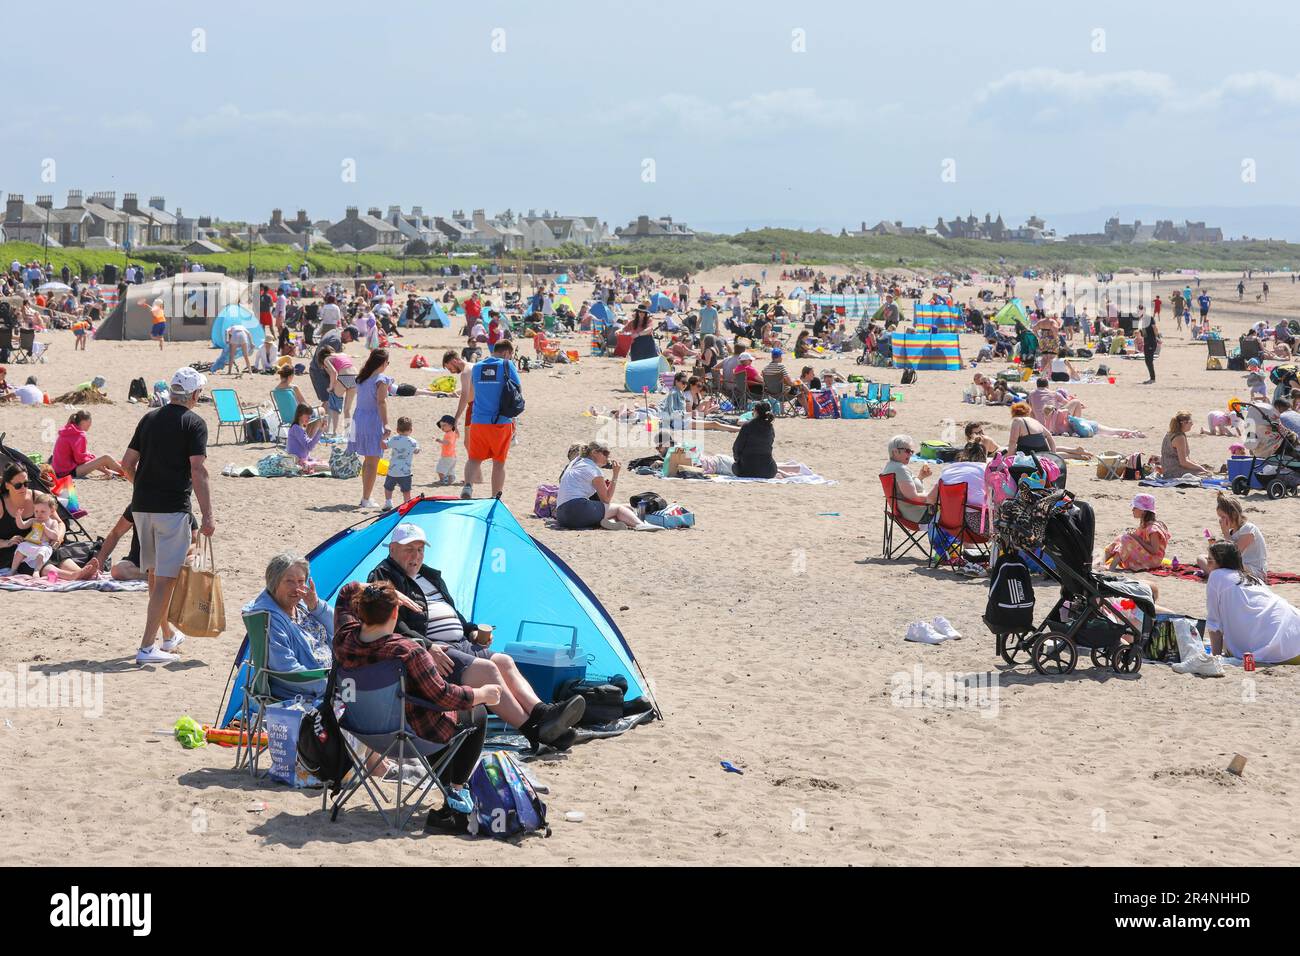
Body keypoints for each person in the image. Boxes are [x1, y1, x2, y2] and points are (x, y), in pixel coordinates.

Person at [364, 526, 584, 751]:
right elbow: (392, 625)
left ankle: (543, 713)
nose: (416, 556)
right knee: (488, 671)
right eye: (409, 549)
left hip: (461, 643)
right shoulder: (383, 577)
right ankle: (534, 731)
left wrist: (472, 631)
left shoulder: (429, 575)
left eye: (420, 550)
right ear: (392, 549)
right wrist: (427, 647)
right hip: (432, 652)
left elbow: (454, 615)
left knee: (504, 661)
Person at [332, 579, 492, 831]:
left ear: (360, 610)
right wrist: (481, 693)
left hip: (361, 731)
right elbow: (444, 695)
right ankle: (457, 794)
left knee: (435, 717)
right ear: (396, 612)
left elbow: (345, 593)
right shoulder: (407, 650)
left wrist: (377, 592)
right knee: (474, 714)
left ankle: (450, 790)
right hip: (406, 738)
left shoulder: (344, 639)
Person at [119, 366, 215, 665]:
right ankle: (147, 647)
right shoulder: (194, 423)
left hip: (142, 507)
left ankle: (167, 636)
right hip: (171, 509)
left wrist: (145, 486)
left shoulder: (148, 418)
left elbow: (126, 464)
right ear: (195, 394)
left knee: (153, 576)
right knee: (165, 580)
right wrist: (208, 516)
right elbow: (197, 470)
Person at [244, 552, 334, 700]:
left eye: (301, 581)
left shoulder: (302, 606)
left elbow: (340, 628)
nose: (297, 588)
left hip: (333, 678)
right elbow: (286, 668)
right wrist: (329, 684)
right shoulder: (271, 619)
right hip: (304, 693)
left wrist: (316, 606)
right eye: (289, 581)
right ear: (274, 583)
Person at [1203, 543, 1300, 664]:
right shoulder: (1251, 577)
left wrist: (1215, 657)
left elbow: (1214, 623)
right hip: (1293, 623)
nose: (1207, 564)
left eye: (1210, 560)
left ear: (1221, 561)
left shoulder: (1216, 576)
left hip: (1276, 646)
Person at [462, 340, 521, 500]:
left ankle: (468, 485)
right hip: (500, 421)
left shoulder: (477, 367)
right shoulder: (507, 365)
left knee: (474, 458)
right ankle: (495, 497)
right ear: (506, 353)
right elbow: (517, 390)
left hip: (478, 420)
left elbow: (472, 395)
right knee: (499, 462)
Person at [556, 441, 659, 531]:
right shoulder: (593, 470)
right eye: (605, 453)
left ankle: (612, 521)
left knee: (625, 507)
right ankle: (640, 525)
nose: (608, 457)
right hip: (576, 509)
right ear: (594, 452)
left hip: (561, 515)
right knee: (618, 508)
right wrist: (615, 475)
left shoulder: (577, 462)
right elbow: (606, 500)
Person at [349, 348, 392, 509]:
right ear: (383, 363)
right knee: (373, 461)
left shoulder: (363, 378)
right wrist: (386, 423)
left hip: (359, 418)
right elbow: (381, 402)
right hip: (373, 420)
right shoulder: (381, 379)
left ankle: (366, 496)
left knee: (368, 461)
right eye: (387, 362)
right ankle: (366, 499)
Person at [1198, 493, 1268, 578]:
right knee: (1201, 558)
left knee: (1220, 564)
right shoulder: (1233, 532)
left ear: (1234, 515)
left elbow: (1233, 555)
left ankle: (1215, 574)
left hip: (1254, 570)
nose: (1220, 520)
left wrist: (1226, 533)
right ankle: (1216, 574)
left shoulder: (1248, 529)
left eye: (1223, 517)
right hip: (1238, 566)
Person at [1103, 494, 1170, 571]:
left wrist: (1136, 538)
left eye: (1135, 508)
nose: (1132, 510)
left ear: (1144, 511)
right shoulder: (1145, 524)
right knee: (1120, 538)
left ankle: (1112, 567)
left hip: (1152, 560)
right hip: (1145, 555)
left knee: (1125, 539)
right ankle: (1099, 563)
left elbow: (1154, 550)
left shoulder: (1153, 529)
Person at [51, 411, 125, 479]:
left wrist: (95, 460)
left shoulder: (68, 430)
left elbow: (80, 454)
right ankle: (127, 473)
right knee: (106, 458)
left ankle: (117, 469)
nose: (90, 424)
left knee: (103, 460)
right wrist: (101, 467)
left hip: (58, 470)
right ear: (84, 422)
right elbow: (80, 459)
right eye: (90, 422)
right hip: (68, 472)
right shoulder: (79, 434)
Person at [5, 491, 62, 577]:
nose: (39, 514)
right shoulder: (34, 520)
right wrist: (18, 518)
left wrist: (45, 529)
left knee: (42, 553)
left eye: (43, 511)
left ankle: (36, 570)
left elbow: (55, 536)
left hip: (43, 544)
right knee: (20, 548)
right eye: (36, 511)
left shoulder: (53, 522)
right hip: (31, 543)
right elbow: (22, 526)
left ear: (52, 511)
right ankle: (13, 569)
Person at [880, 434, 931, 522]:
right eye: (907, 451)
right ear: (895, 451)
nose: (911, 454)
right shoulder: (900, 469)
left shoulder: (890, 466)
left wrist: (920, 477)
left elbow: (904, 492)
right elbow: (913, 497)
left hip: (907, 513)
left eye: (912, 451)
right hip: (919, 515)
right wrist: (936, 496)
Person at [1160, 411, 1213, 478]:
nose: (1192, 424)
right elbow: (1183, 462)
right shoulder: (1179, 437)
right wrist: (1201, 468)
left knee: (1203, 471)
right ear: (1184, 423)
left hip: (1168, 469)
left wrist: (1197, 466)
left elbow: (1186, 459)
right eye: (1190, 422)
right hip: (1173, 472)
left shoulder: (1171, 433)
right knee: (1207, 475)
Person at [383, 415, 419, 511]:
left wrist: (384, 438)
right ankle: (407, 504)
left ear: (397, 430)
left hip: (393, 470)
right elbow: (416, 451)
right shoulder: (413, 442)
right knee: (406, 490)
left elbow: (384, 446)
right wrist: (417, 450)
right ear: (411, 430)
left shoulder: (394, 439)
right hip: (405, 472)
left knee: (388, 487)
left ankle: (388, 502)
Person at [287, 404, 326, 473]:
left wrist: (312, 459)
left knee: (321, 462)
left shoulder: (298, 428)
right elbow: (309, 447)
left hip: (300, 461)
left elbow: (304, 450)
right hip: (298, 463)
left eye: (310, 417)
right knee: (326, 466)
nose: (309, 419)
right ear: (300, 415)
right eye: (307, 416)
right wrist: (320, 431)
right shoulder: (296, 428)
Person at [434, 414, 459, 486]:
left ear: (451, 426)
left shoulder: (448, 434)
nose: (442, 427)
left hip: (447, 456)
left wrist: (440, 441)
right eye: (441, 426)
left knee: (440, 469)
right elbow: (458, 436)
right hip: (453, 456)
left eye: (444, 425)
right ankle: (450, 480)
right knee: (450, 470)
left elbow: (448, 442)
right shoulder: (453, 433)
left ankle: (442, 480)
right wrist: (456, 428)